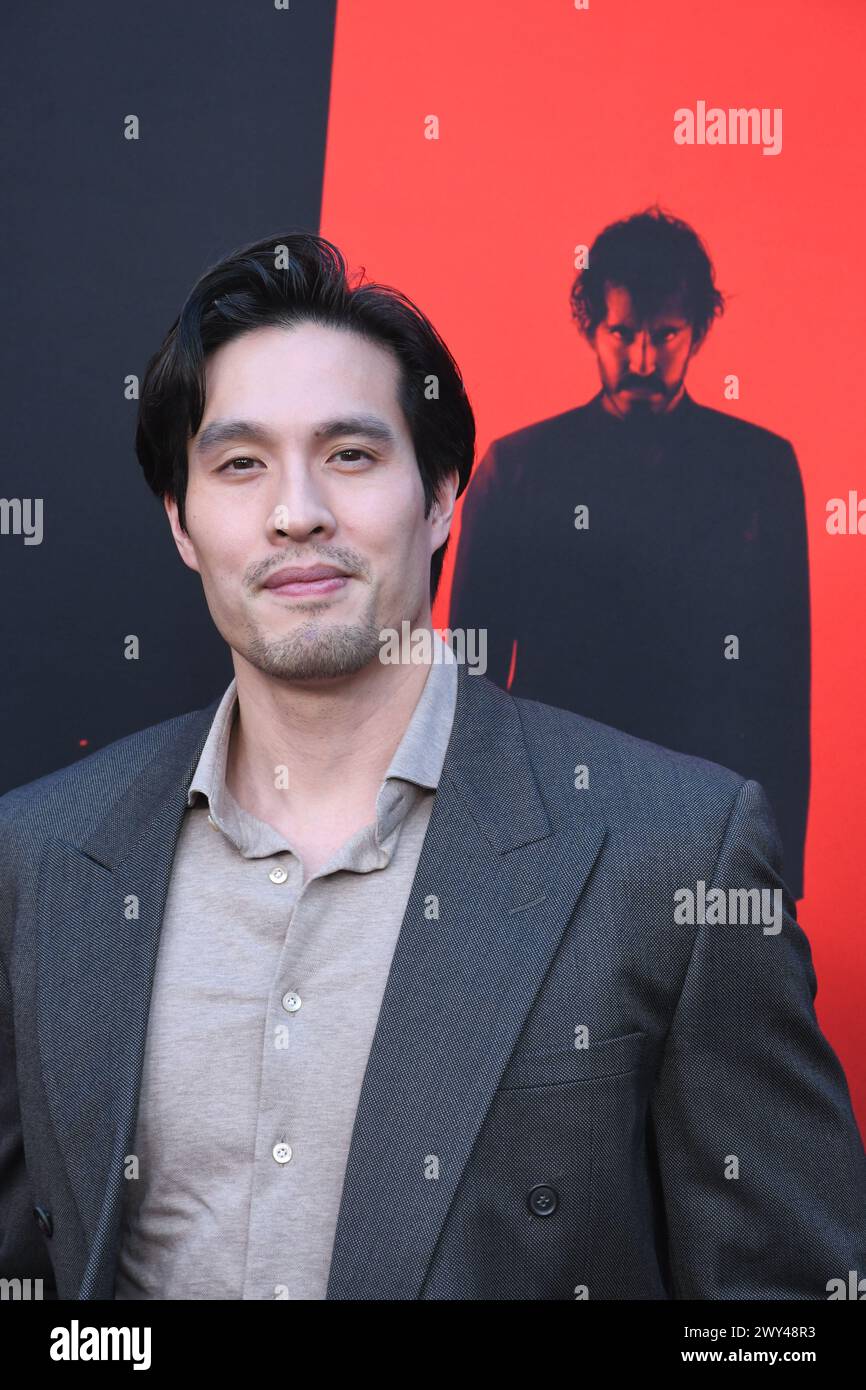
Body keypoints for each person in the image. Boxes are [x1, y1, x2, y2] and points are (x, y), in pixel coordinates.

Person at [0, 233, 861, 1302]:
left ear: (442, 493)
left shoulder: (676, 855)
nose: (296, 509)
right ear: (181, 521)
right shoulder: (38, 859)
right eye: (238, 464)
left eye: (351, 454)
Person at [450, 206, 810, 899]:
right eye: (623, 333)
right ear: (592, 325)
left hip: (709, 831)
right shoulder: (519, 467)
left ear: (698, 330)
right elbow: (475, 679)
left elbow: (783, 682)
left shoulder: (759, 468)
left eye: (665, 335)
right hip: (558, 833)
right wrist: (479, 848)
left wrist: (778, 873)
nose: (643, 357)